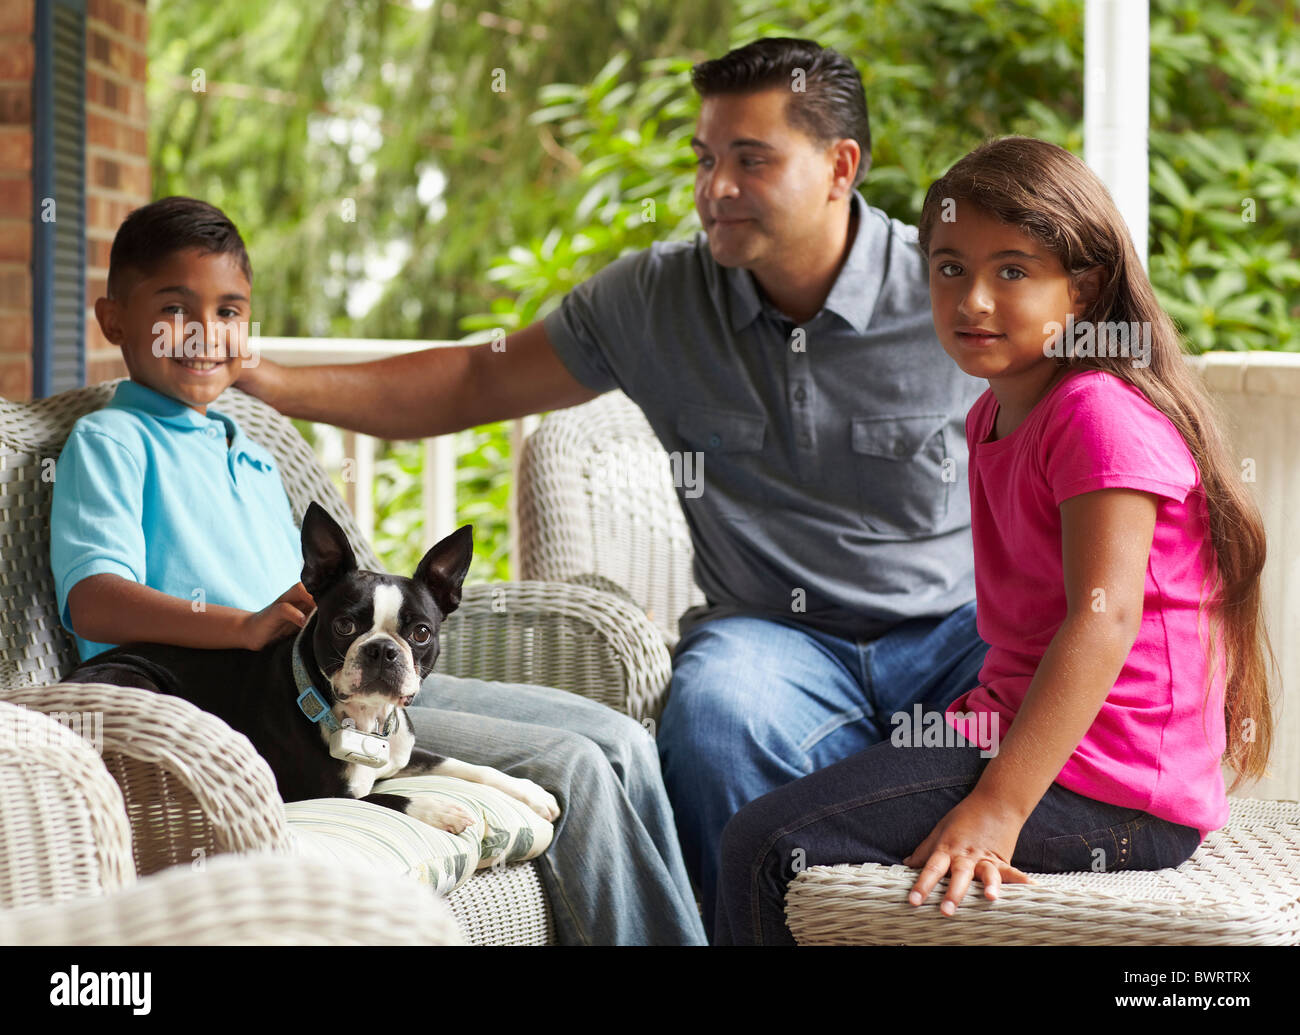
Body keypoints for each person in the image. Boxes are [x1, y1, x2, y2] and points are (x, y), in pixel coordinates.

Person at [235, 37, 991, 938]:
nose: (714, 189)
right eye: (706, 160)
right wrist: (270, 379)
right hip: (774, 643)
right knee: (714, 720)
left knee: (1071, 700)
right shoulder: (656, 299)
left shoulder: (953, 292)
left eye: (751, 160)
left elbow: (1094, 420)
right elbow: (476, 380)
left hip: (953, 632)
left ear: (840, 166)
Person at [49, 195, 706, 946]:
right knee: (580, 767)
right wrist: (242, 624)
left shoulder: (251, 446)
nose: (204, 332)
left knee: (619, 737)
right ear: (113, 320)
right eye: (175, 308)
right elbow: (93, 602)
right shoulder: (111, 439)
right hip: (273, 700)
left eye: (229, 311)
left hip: (363, 686)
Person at [712, 136, 1277, 945]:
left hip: (1115, 797)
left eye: (1013, 270)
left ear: (1081, 291)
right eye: (949, 268)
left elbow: (1103, 619)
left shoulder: (1095, 412)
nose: (973, 299)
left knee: (762, 845)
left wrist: (998, 809)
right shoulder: (995, 411)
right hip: (1019, 736)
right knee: (807, 803)